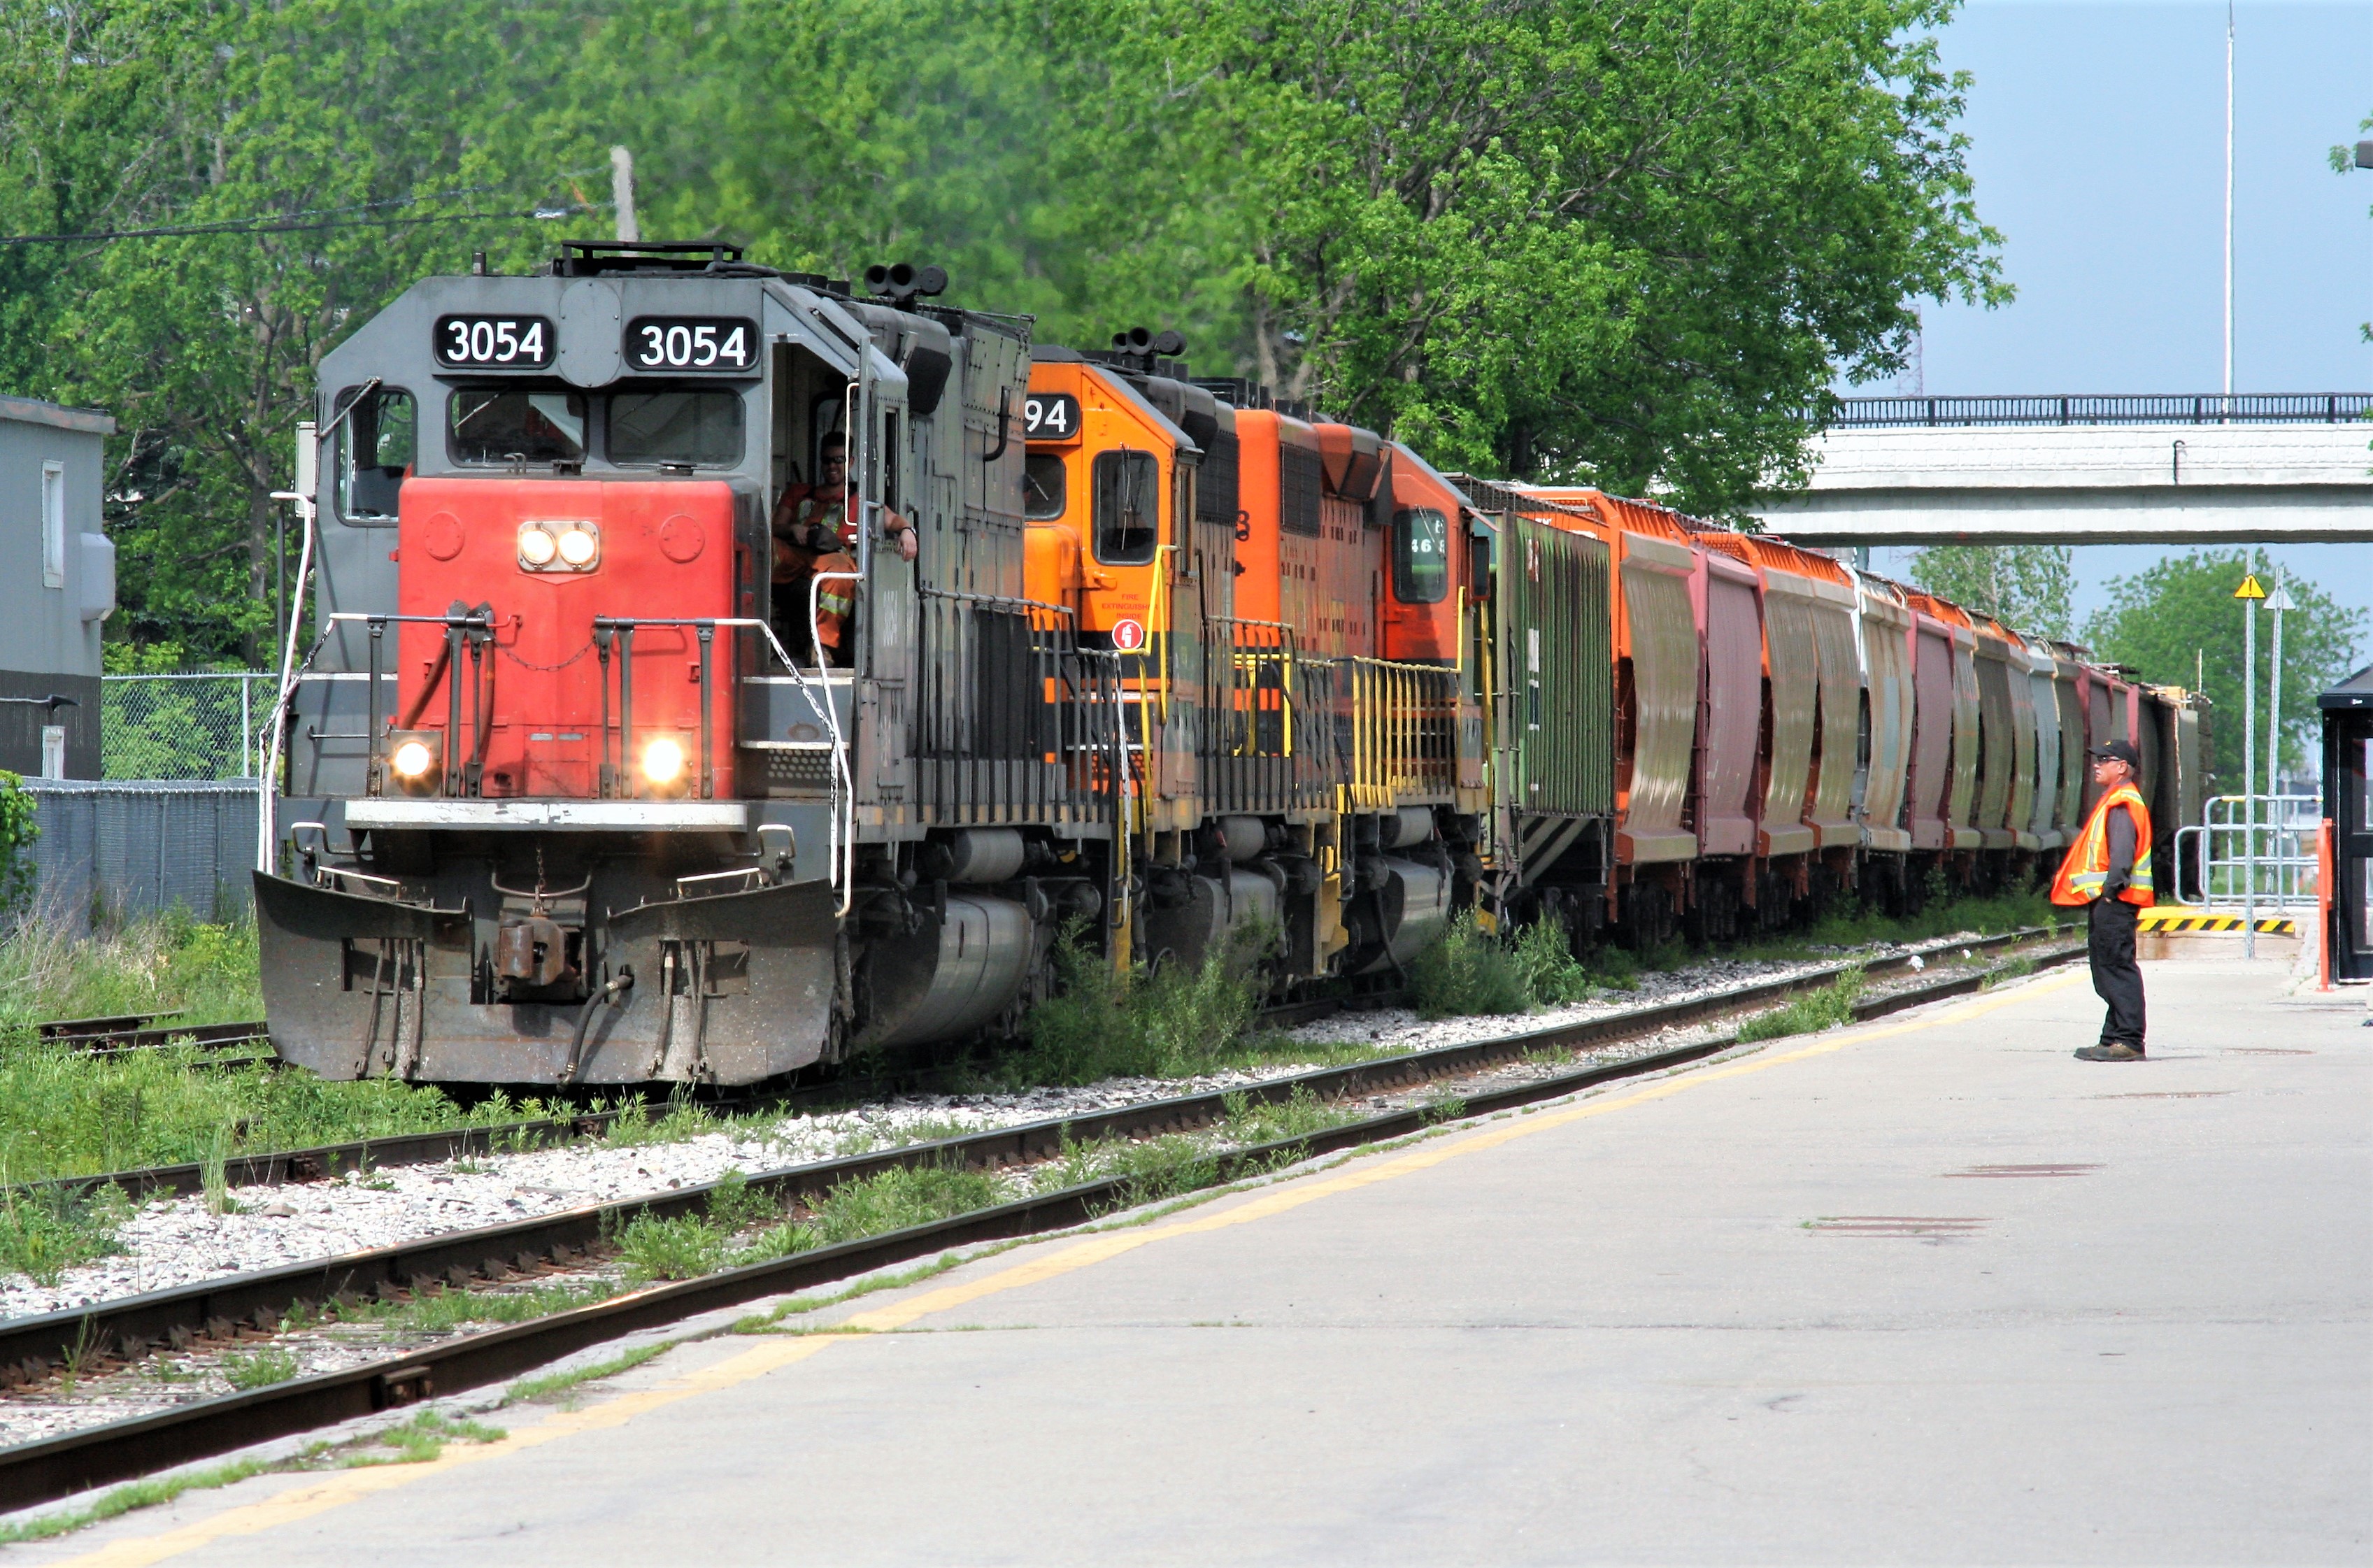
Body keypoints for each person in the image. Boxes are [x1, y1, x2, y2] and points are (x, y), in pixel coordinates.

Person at [770, 429, 918, 665]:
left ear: (851, 462)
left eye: (839, 460)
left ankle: (822, 646)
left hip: (833, 559)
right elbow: (775, 527)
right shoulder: (798, 493)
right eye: (828, 460)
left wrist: (907, 531)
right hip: (797, 557)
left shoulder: (861, 500)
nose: (833, 466)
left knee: (840, 574)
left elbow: (893, 520)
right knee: (763, 550)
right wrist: (793, 529)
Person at [2049, 739, 2153, 1061]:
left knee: (2116, 969)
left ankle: (2128, 1042)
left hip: (2115, 901)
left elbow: (2121, 854)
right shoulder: (2116, 800)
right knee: (2108, 970)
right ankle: (2113, 1038)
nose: (2097, 765)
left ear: (2122, 767)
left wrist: (2110, 891)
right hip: (2112, 901)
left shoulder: (2122, 803)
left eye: (2104, 760)